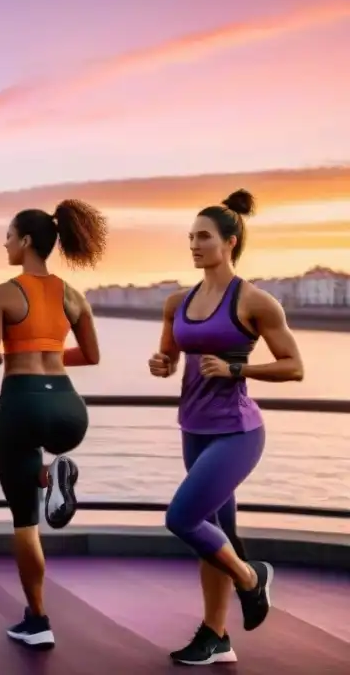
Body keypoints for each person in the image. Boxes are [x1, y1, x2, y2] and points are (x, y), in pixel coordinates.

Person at [149, 189, 304, 666]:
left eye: (204, 237)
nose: (194, 245)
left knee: (182, 519)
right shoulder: (178, 302)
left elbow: (294, 366)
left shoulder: (255, 301)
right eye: (191, 237)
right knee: (212, 534)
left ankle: (252, 577)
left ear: (230, 242)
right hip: (192, 427)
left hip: (237, 432)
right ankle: (216, 636)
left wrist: (239, 369)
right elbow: (169, 357)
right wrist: (161, 364)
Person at [0, 199, 107, 650]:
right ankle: (51, 473)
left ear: (27, 241)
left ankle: (37, 620)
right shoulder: (74, 295)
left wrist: (17, 352)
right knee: (35, 465)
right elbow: (91, 355)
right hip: (70, 410)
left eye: (9, 236)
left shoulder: (0, 293)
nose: (5, 244)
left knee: (25, 521)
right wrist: (49, 352)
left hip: (23, 404)